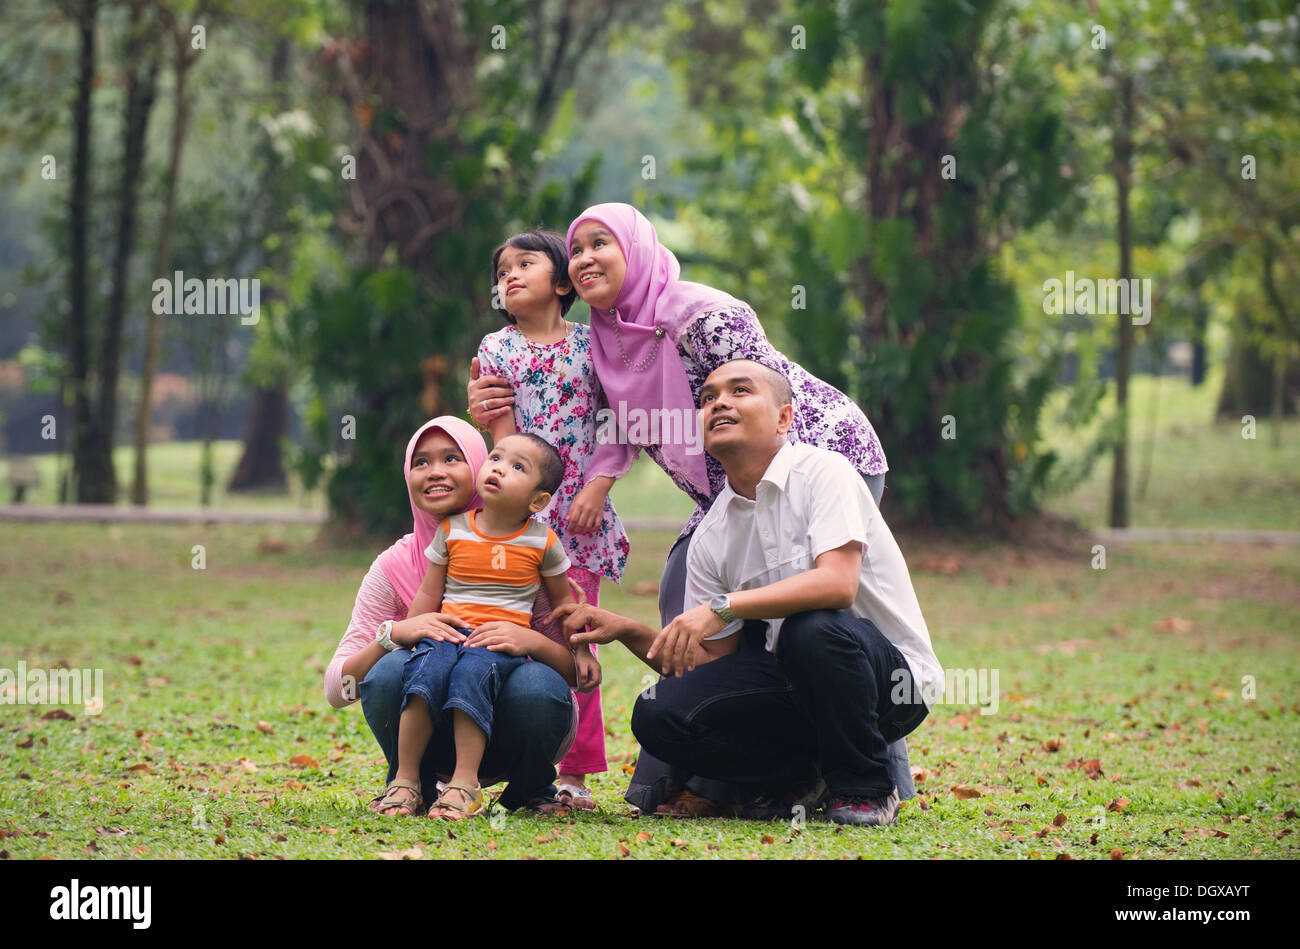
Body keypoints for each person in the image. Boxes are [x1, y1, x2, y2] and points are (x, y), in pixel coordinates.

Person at [468, 202, 913, 811]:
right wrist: (496, 408)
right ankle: (736, 775)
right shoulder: (605, 338)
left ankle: (866, 779)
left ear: (638, 249)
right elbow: (595, 410)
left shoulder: (700, 314)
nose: (586, 257)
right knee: (690, 587)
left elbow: (762, 396)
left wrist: (773, 505)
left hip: (819, 455)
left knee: (826, 625)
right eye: (577, 248)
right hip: (728, 491)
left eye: (603, 243)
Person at [552, 359, 943, 826]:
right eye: (708, 398)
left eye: (740, 391)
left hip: (891, 687)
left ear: (784, 418)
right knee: (661, 713)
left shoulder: (826, 473)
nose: (719, 402)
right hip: (798, 688)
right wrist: (627, 630)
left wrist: (725, 606)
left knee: (811, 628)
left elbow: (837, 585)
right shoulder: (713, 532)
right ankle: (794, 777)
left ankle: (865, 789)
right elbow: (712, 665)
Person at [324, 417, 578, 815]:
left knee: (535, 684)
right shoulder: (395, 565)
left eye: (452, 458)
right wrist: (394, 634)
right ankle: (410, 783)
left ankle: (529, 786)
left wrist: (532, 641)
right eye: (421, 462)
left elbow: (579, 673)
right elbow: (339, 691)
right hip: (430, 711)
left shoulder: (530, 547)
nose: (435, 472)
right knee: (391, 670)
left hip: (517, 716)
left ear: (474, 465)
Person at [476, 228, 628, 808]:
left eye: (524, 264)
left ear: (563, 282)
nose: (509, 276)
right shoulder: (497, 349)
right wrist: (516, 509)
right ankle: (505, 762)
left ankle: (576, 774)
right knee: (507, 635)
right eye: (501, 271)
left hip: (583, 522)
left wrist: (597, 488)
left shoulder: (597, 345)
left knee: (575, 639)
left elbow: (622, 424)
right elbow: (503, 439)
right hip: (518, 517)